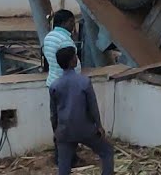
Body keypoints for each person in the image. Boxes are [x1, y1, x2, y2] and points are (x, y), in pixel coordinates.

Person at [49, 46, 113, 175]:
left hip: (64, 131)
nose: (76, 58)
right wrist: (99, 126)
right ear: (72, 61)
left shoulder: (55, 85)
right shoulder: (84, 82)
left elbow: (53, 113)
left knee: (64, 166)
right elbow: (93, 107)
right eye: (75, 56)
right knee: (107, 151)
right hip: (85, 129)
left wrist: (56, 131)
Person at [43, 10, 81, 163]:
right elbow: (72, 63)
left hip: (52, 82)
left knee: (57, 119)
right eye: (72, 23)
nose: (73, 26)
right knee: (70, 122)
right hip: (67, 86)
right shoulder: (65, 41)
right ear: (65, 22)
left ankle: (59, 154)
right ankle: (69, 157)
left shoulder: (49, 37)